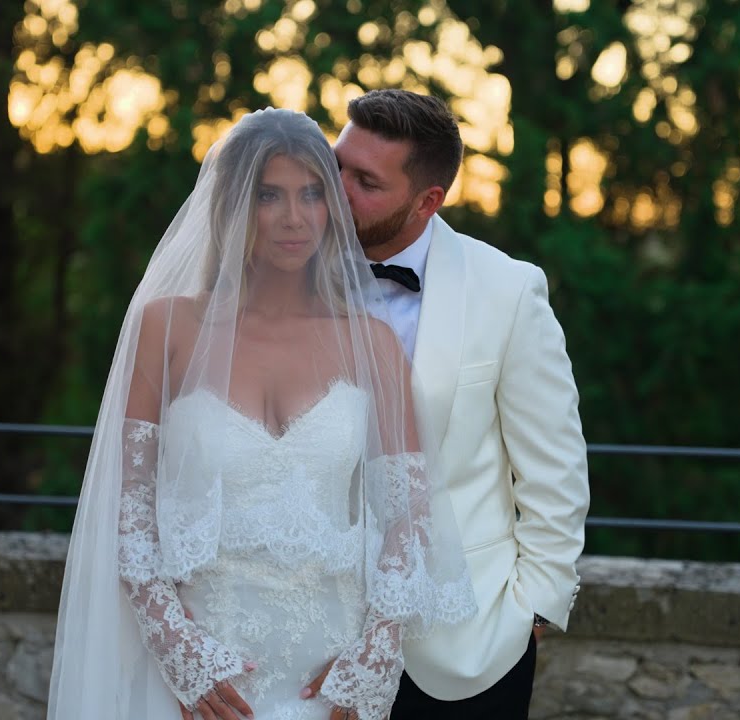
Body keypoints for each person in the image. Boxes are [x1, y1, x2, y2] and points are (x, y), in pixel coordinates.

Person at [46, 107, 477, 720]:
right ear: (231, 206)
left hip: (329, 680)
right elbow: (131, 508)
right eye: (268, 195)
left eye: (312, 195)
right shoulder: (167, 327)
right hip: (201, 676)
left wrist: (375, 655)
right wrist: (178, 649)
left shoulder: (372, 341)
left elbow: (408, 514)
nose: (294, 218)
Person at [304, 89, 591, 719]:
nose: (336, 189)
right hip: (308, 638)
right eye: (336, 164)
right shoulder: (283, 274)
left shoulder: (508, 290)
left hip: (465, 646)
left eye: (365, 181)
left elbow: (554, 467)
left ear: (426, 200)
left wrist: (535, 609)